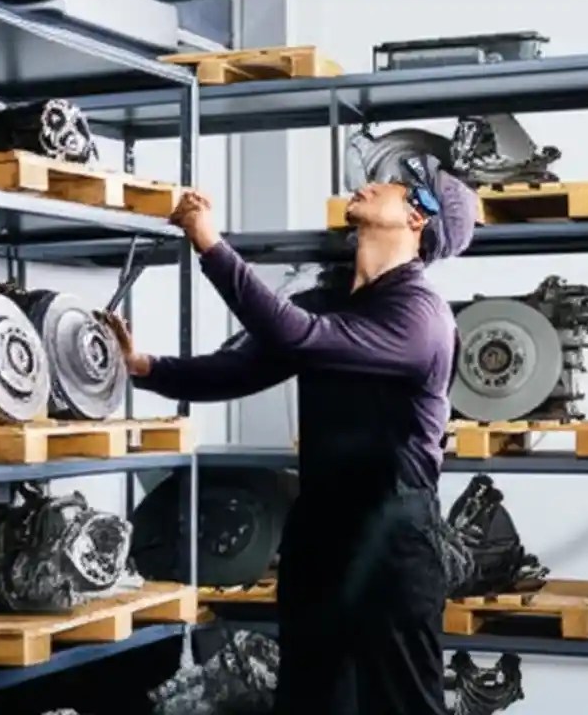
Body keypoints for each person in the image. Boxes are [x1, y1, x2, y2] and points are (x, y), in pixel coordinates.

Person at [98, 154, 477, 715]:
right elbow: (244, 368)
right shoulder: (334, 301)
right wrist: (149, 368)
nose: (371, 184)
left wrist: (210, 245)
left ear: (419, 216)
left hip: (392, 544)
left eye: (395, 186)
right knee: (309, 699)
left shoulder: (420, 315)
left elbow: (295, 335)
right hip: (320, 535)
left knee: (403, 705)